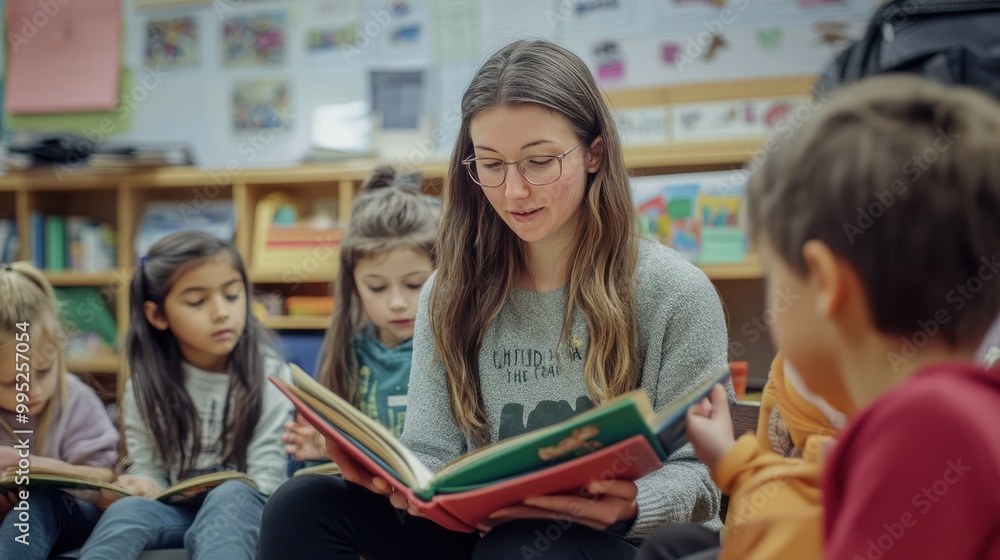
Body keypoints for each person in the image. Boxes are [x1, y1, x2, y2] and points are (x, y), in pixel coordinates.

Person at [259, 38, 729, 560]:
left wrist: (632, 504)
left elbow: (704, 474)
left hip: (619, 541)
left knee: (521, 545)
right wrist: (387, 475)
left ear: (594, 153)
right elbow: (431, 452)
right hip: (483, 534)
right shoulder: (450, 291)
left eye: (539, 162)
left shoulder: (675, 291)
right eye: (491, 164)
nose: (513, 191)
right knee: (301, 504)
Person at [673, 74, 1000, 559]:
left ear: (826, 283)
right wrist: (735, 462)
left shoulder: (927, 425)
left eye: (775, 274)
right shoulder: (951, 410)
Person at [78, 231, 292, 560]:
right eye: (197, 301)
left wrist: (220, 492)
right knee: (127, 512)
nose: (221, 312)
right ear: (157, 315)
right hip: (176, 512)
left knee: (232, 495)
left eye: (232, 295)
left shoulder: (271, 375)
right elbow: (148, 467)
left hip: (245, 510)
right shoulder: (144, 385)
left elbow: (268, 479)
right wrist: (143, 484)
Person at [282, 166, 439, 473]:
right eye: (377, 287)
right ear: (353, 286)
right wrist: (324, 448)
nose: (397, 303)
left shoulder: (454, 347)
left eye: (415, 284)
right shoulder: (350, 351)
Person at [637, 354, 845, 560]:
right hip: (763, 526)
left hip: (808, 541)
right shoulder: (785, 371)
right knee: (669, 542)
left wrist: (733, 460)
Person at [0, 262, 119, 560]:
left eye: (43, 371)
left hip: (66, 518)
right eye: (13, 382)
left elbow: (104, 483)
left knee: (38, 502)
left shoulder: (75, 399)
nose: (33, 391)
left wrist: (28, 464)